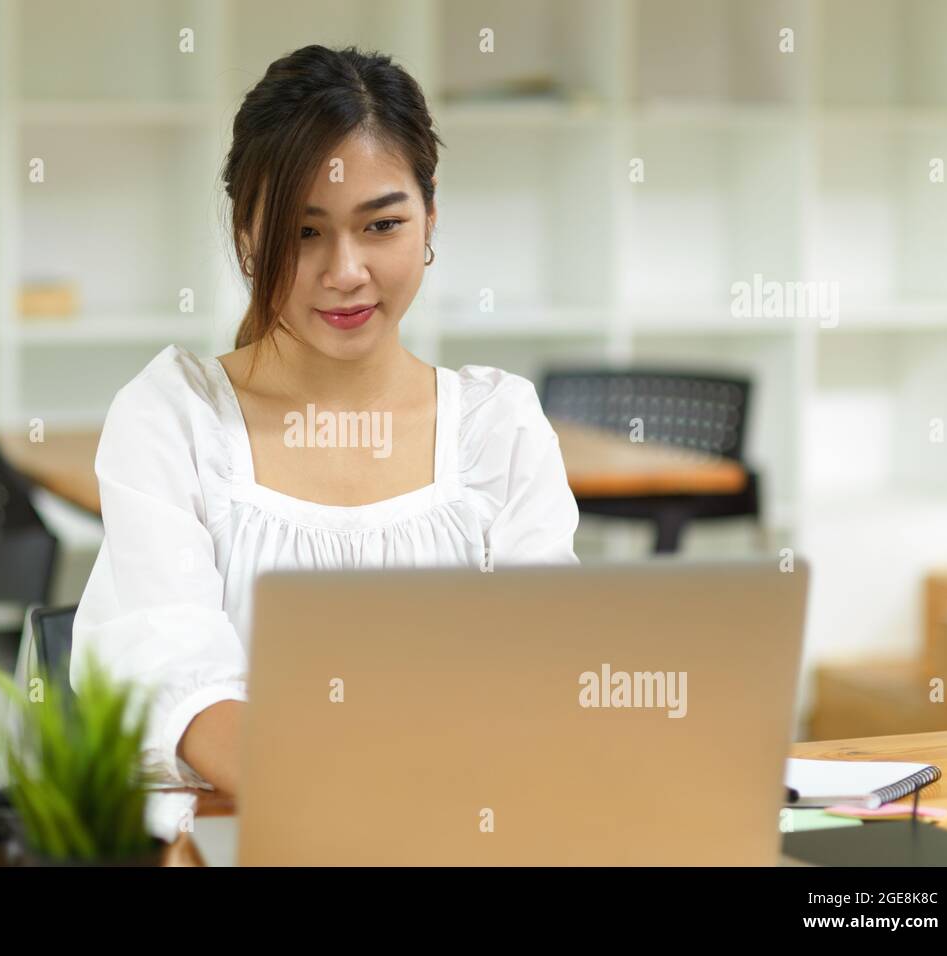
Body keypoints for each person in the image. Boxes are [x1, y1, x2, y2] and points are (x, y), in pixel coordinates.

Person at [72, 45, 579, 797]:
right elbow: (181, 679)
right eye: (305, 232)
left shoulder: (498, 426)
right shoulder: (172, 419)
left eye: (381, 226)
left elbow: (543, 667)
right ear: (246, 235)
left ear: (429, 219)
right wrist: (349, 802)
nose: (345, 271)